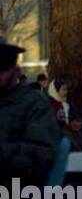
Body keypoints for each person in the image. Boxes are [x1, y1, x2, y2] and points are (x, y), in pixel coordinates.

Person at [0, 43, 61, 189]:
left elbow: (44, 155)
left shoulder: (34, 104)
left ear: (16, 71)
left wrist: (4, 153)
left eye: (1, 70)